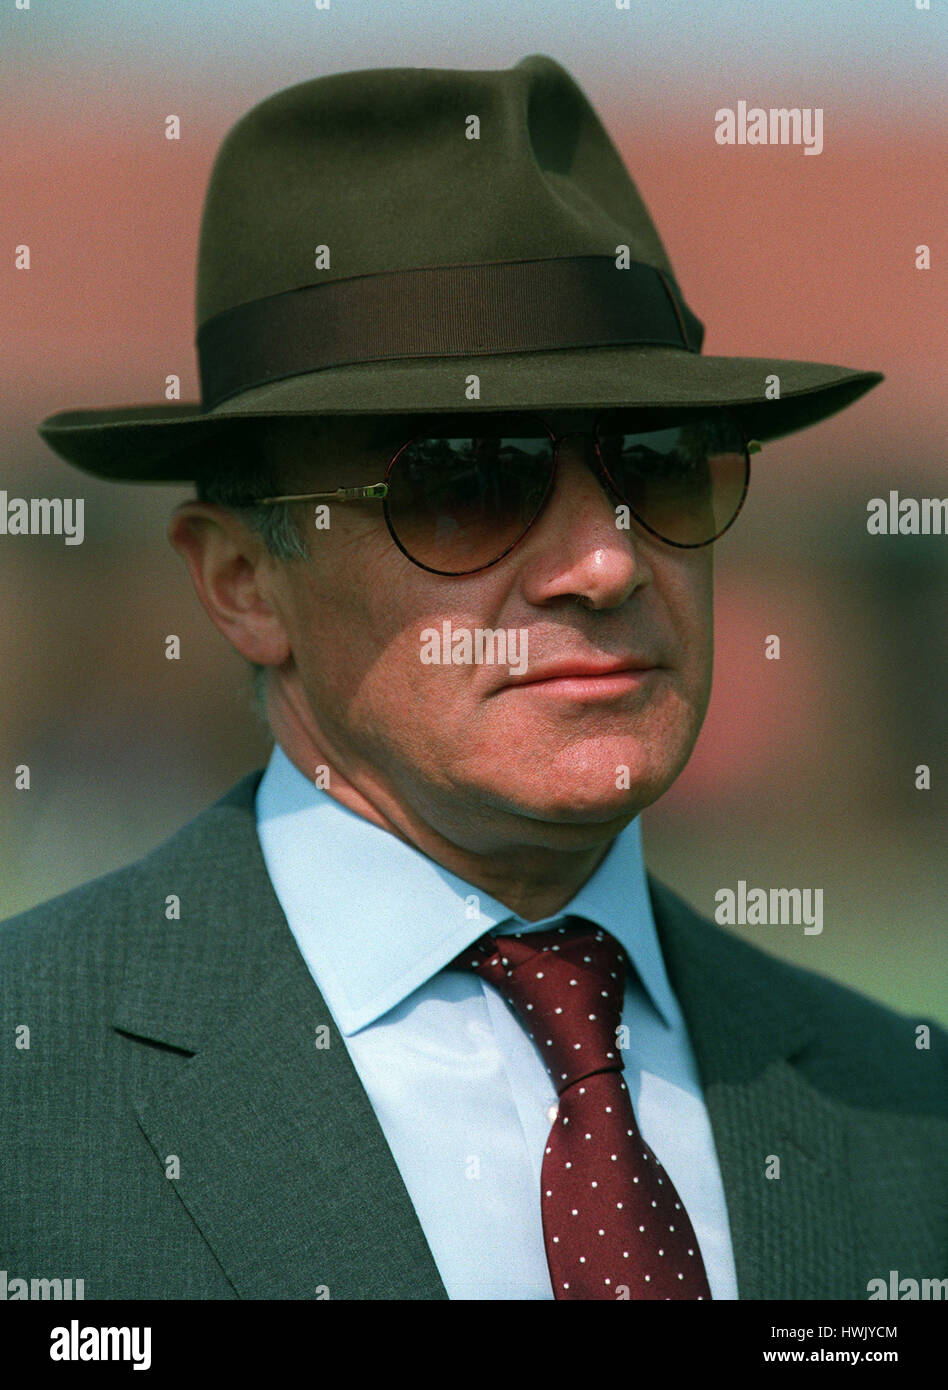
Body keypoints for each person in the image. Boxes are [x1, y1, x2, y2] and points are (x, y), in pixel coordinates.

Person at [3, 55, 944, 1302]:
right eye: (467, 481)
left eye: (656, 462)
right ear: (242, 582)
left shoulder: (904, 1111)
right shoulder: (36, 1093)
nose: (606, 560)